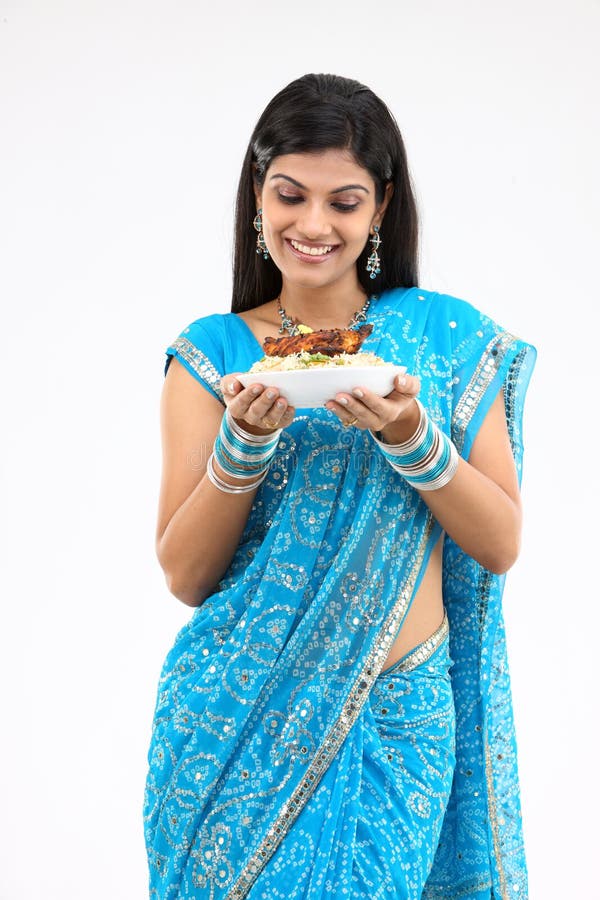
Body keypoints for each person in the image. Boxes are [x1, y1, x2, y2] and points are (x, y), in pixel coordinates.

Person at [143, 73, 536, 899]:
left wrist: (411, 437)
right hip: (233, 724)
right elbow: (185, 575)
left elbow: (499, 543)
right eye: (290, 195)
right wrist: (243, 444)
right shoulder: (213, 356)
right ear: (259, 193)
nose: (313, 225)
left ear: (382, 207)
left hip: (396, 722)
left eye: (344, 202)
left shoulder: (445, 338)